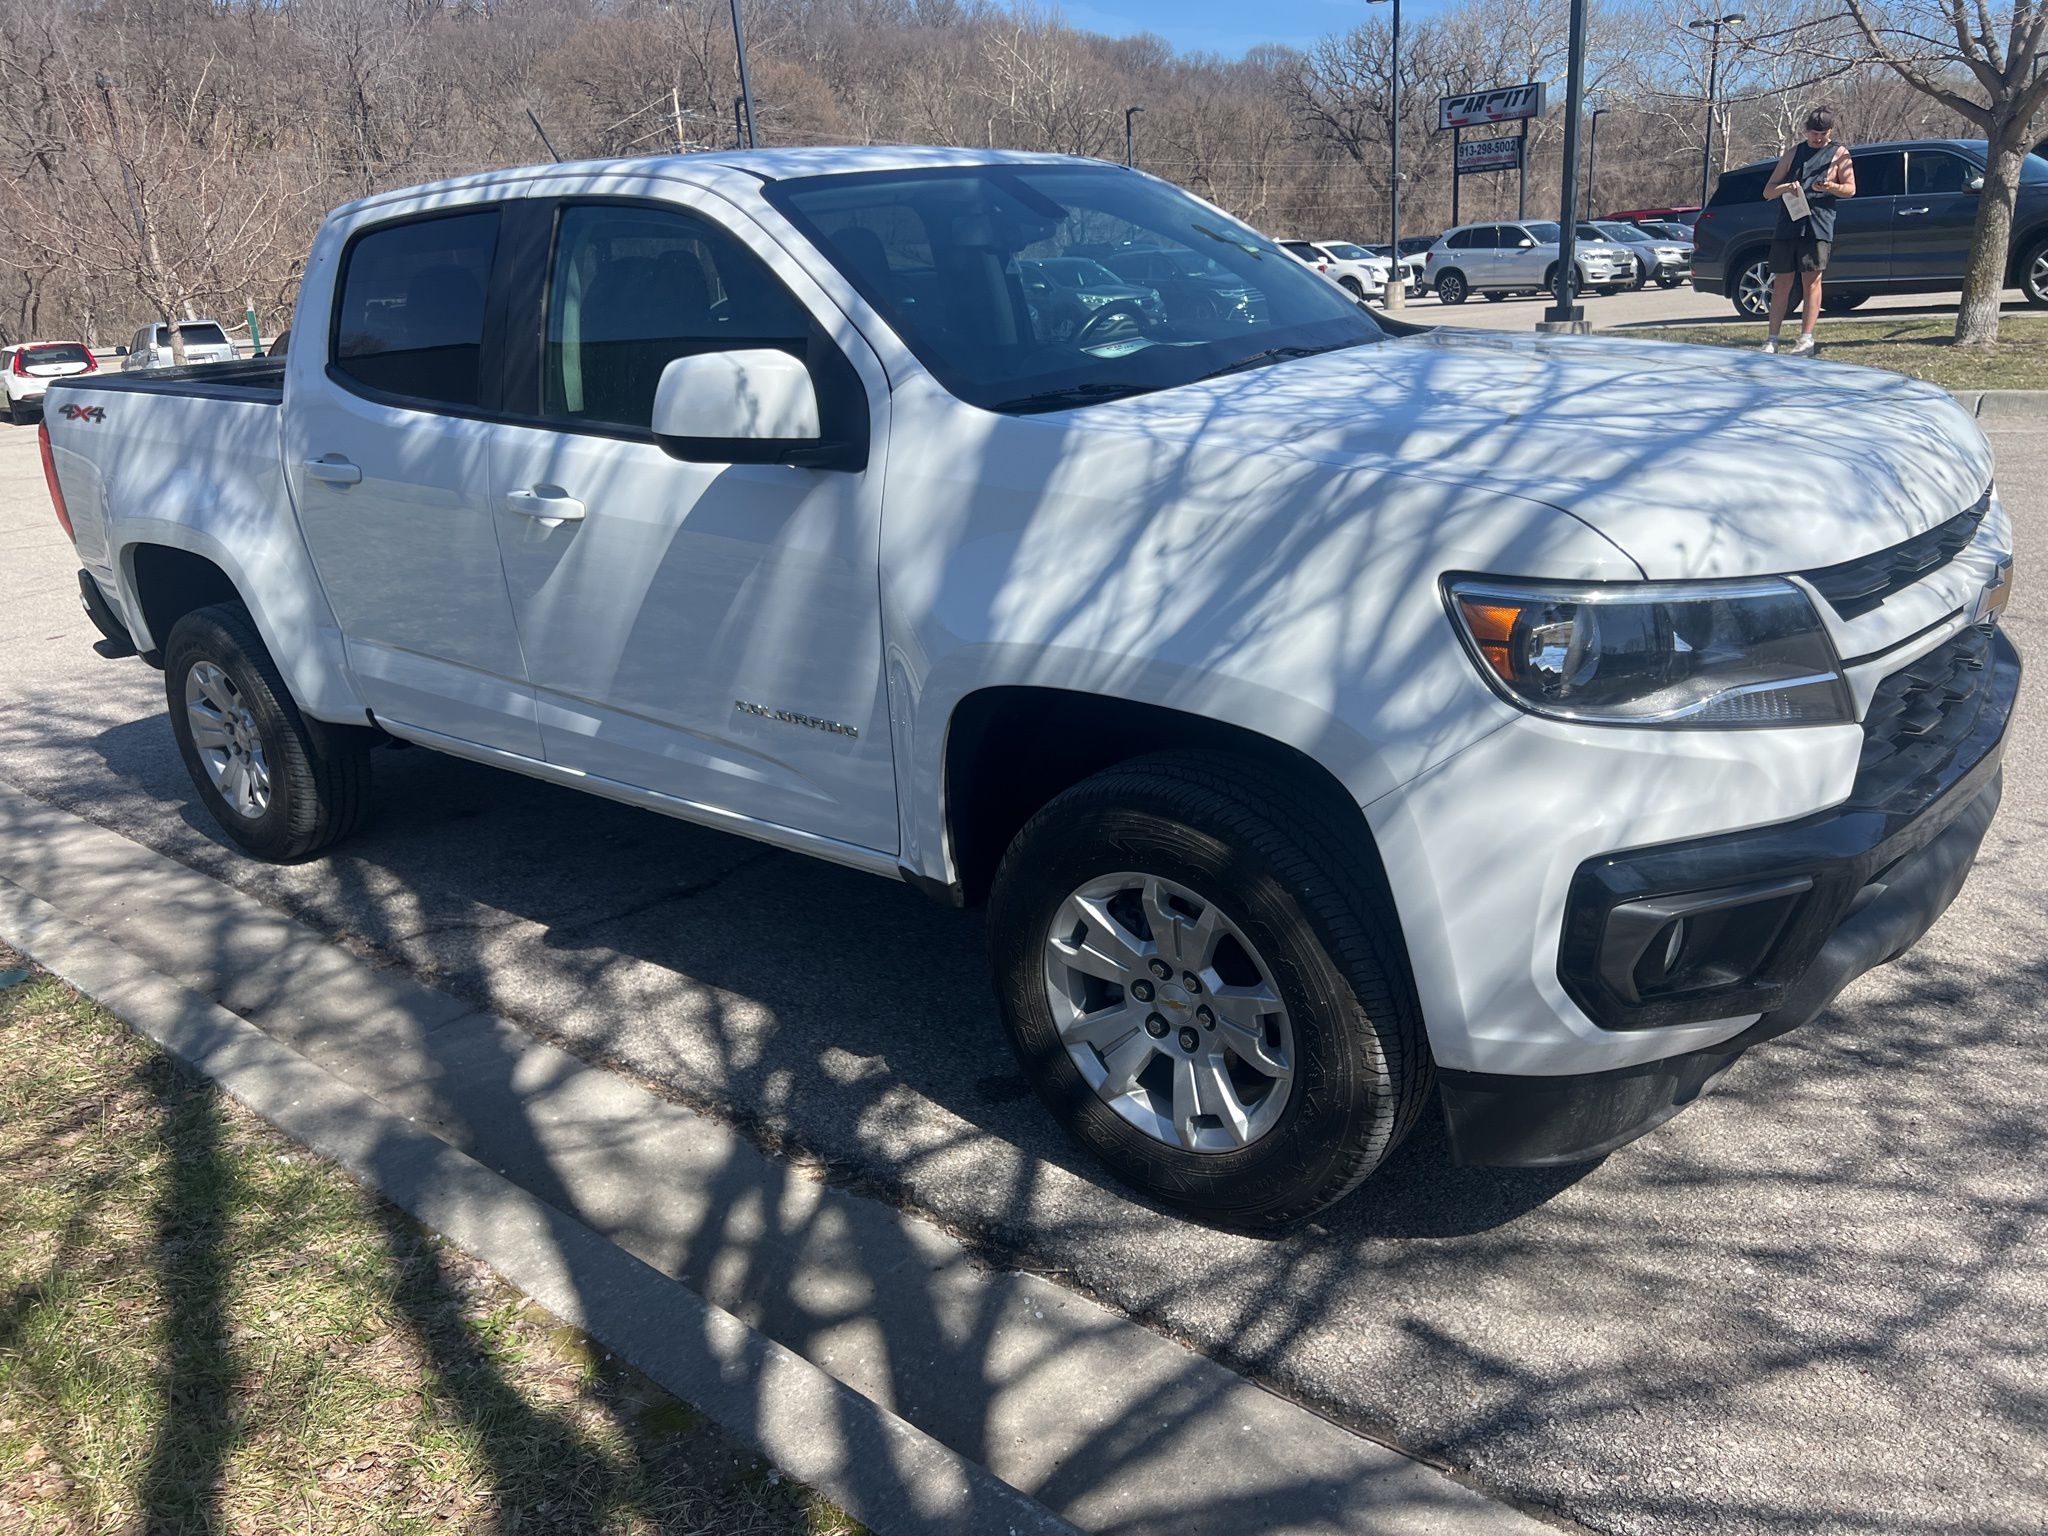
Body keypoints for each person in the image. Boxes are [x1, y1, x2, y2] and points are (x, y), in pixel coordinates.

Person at [1760, 104, 1855, 355]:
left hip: (1818, 224)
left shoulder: (1839, 153)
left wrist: (1832, 187)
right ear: (1806, 131)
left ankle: (1806, 339)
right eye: (1814, 133)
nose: (1818, 138)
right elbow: (1768, 191)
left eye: (1823, 134)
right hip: (1788, 224)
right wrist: (1786, 187)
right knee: (1782, 281)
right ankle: (1772, 339)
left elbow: (1851, 189)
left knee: (1811, 282)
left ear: (1830, 132)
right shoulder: (1794, 153)